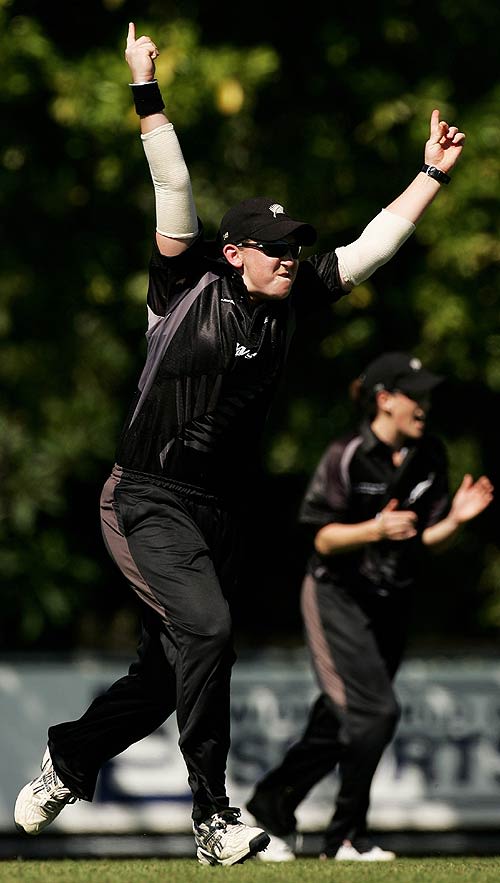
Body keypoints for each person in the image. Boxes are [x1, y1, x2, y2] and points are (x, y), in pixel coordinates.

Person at [14, 21, 467, 867]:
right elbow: (173, 178)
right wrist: (144, 84)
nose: (293, 257)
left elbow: (371, 246)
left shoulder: (291, 301)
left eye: (297, 247)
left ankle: (69, 757)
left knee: (164, 673)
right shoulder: (184, 282)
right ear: (235, 253)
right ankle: (213, 815)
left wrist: (433, 173)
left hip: (217, 513)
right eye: (276, 247)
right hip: (144, 494)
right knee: (211, 629)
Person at [246, 350, 494, 862]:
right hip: (337, 597)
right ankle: (344, 837)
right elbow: (322, 540)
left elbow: (424, 538)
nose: (425, 405)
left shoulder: (431, 455)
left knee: (341, 721)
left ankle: (269, 808)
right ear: (386, 400)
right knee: (375, 713)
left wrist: (458, 520)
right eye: (416, 395)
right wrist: (373, 530)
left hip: (391, 602)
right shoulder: (348, 454)